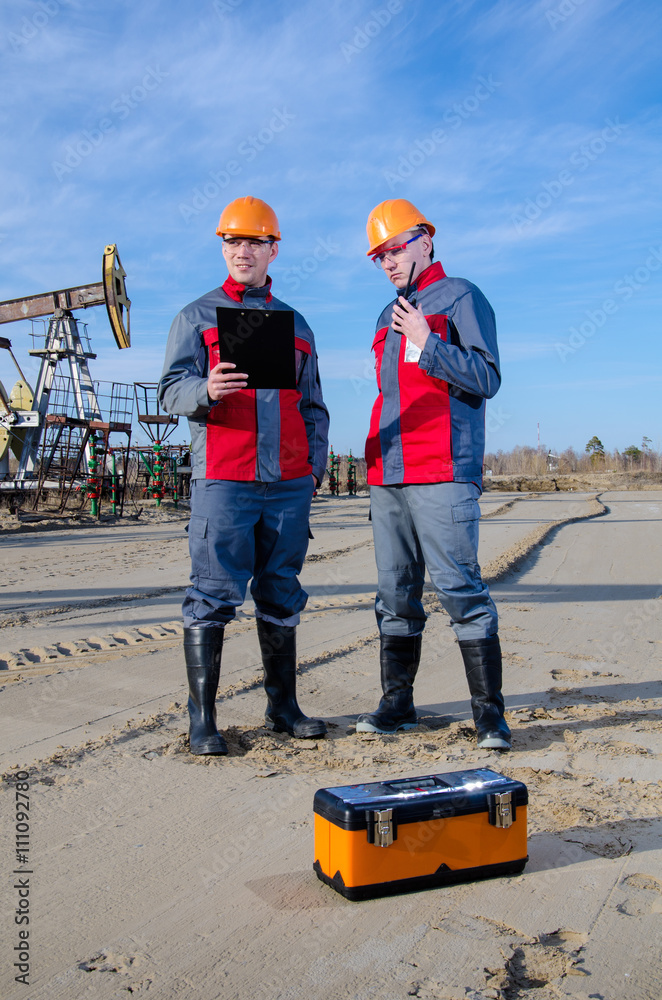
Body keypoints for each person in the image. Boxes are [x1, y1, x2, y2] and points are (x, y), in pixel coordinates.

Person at [158, 196, 329, 755]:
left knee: (281, 591)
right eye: (233, 241)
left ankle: (283, 708)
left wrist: (314, 468)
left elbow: (313, 407)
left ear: (273, 249)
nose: (242, 251)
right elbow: (168, 392)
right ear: (223, 247)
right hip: (224, 479)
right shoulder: (196, 316)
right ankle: (202, 721)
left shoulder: (296, 324)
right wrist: (203, 391)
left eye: (254, 242)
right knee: (211, 594)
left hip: (286, 482)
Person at [356, 198, 511, 750]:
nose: (389, 262)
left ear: (425, 239)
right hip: (388, 471)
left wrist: (428, 342)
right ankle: (397, 705)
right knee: (395, 593)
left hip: (443, 468)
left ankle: (489, 716)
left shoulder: (462, 297)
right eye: (379, 256)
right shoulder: (385, 316)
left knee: (459, 589)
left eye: (396, 248)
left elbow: (486, 377)